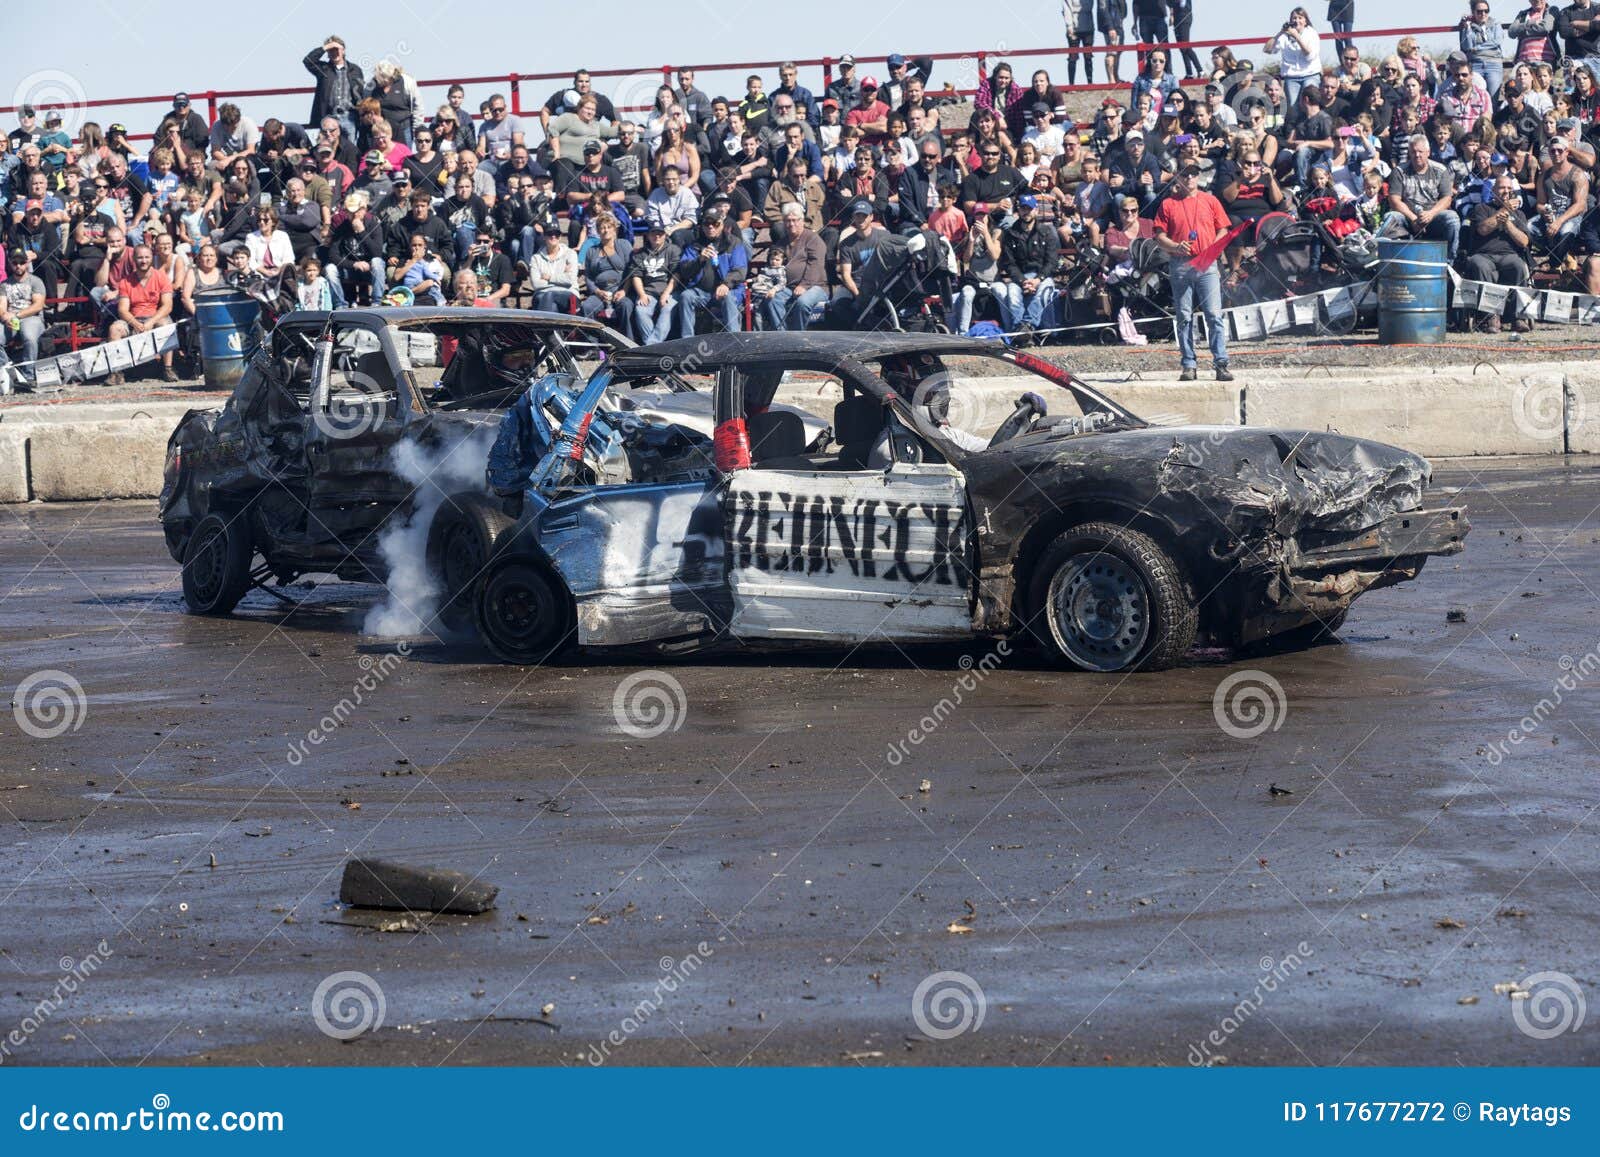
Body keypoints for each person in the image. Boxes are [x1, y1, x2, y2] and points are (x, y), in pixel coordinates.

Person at [1152, 166, 1233, 381]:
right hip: (1181, 263)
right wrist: (1175, 246)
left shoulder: (1210, 200)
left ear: (1199, 176)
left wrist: (1213, 248)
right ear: (1177, 176)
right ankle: (1188, 364)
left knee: (1214, 315)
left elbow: (1223, 229)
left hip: (1207, 263)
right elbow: (1159, 235)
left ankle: (1221, 363)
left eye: (1193, 173)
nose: (1189, 178)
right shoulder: (1168, 204)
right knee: (1184, 316)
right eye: (1185, 173)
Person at [1462, 175, 1534, 333]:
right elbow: (1482, 229)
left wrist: (1508, 224)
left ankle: (1518, 318)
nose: (1506, 191)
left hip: (1509, 255)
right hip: (1484, 254)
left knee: (1518, 265)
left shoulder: (1519, 214)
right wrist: (1504, 210)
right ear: (1493, 191)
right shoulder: (1481, 208)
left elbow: (1524, 242)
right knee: (1478, 264)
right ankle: (1490, 317)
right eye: (1502, 188)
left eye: (1509, 188)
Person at [1382, 137, 1461, 259]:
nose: (1417, 155)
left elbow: (1447, 198)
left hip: (1433, 217)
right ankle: (1391, 262)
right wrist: (1413, 218)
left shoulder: (1440, 170)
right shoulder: (1399, 171)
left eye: (1420, 152)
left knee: (1452, 218)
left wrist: (1431, 213)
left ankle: (1449, 262)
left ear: (1428, 153)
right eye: (1413, 151)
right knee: (1390, 218)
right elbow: (1394, 200)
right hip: (1408, 217)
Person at [108, 242, 176, 383]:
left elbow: (167, 306)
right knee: (115, 328)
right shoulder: (125, 281)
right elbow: (122, 309)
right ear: (134, 259)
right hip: (133, 319)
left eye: (147, 257)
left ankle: (167, 369)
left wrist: (151, 322)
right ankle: (117, 372)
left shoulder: (161, 277)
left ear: (152, 258)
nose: (143, 261)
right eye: (140, 258)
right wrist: (135, 323)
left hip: (155, 317)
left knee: (167, 325)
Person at [674, 208, 747, 336]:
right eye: (707, 224)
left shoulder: (734, 242)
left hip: (730, 290)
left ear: (722, 224)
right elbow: (684, 271)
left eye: (715, 224)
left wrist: (726, 284)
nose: (711, 227)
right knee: (686, 296)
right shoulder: (695, 246)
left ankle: (734, 337)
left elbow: (740, 270)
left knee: (727, 296)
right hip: (703, 292)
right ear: (702, 226)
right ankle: (687, 340)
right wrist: (699, 260)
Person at [1001, 194, 1061, 345]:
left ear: (1035, 210)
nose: (1026, 212)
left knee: (1043, 291)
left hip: (1041, 275)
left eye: (1029, 209)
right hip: (1019, 277)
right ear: (1018, 210)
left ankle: (1027, 327)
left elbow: (1052, 261)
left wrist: (1037, 279)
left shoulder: (1047, 232)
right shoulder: (1010, 233)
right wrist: (1022, 281)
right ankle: (1020, 328)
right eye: (1023, 208)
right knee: (1012, 293)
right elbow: (1009, 263)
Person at [766, 202, 829, 331]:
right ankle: (782, 336)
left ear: (802, 220)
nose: (791, 224)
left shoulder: (813, 239)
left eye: (795, 220)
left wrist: (804, 285)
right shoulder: (782, 242)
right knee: (772, 299)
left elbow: (816, 265)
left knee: (802, 303)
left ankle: (797, 338)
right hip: (788, 287)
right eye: (788, 221)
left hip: (816, 287)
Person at [1530, 135, 1589, 256]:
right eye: (1552, 151)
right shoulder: (1544, 176)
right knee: (1529, 227)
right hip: (1552, 213)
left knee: (1565, 231)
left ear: (1567, 152)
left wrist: (1559, 221)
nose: (1556, 153)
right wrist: (1545, 212)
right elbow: (1540, 203)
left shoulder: (1577, 175)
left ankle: (1561, 255)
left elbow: (1580, 205)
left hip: (1572, 216)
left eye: (1560, 150)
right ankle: (1550, 249)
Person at [625, 223, 681, 344]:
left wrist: (666, 294)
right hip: (648, 292)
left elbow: (676, 275)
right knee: (641, 310)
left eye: (660, 234)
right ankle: (655, 346)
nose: (657, 236)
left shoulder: (673, 250)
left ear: (665, 235)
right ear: (648, 236)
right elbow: (636, 276)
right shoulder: (640, 253)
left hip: (670, 291)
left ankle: (650, 346)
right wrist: (642, 295)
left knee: (667, 308)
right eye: (653, 234)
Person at [0, 246, 47, 389]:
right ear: (10, 263)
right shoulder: (4, 284)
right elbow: (1, 305)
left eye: (21, 262)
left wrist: (15, 315)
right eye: (15, 263)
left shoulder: (35, 281)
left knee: (29, 337)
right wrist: (4, 316)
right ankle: (8, 372)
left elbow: (38, 305)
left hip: (31, 317)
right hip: (11, 320)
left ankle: (29, 376)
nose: (18, 266)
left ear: (27, 263)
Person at [1262, 8, 1322, 109]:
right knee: (1293, 107)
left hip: (1310, 74)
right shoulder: (1285, 36)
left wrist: (1296, 36)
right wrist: (1280, 33)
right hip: (1292, 77)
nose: (1297, 20)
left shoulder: (1311, 34)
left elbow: (1309, 56)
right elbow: (1267, 50)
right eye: (1294, 18)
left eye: (1300, 18)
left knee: (1310, 104)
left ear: (1305, 21)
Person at [1459, 3, 1507, 95]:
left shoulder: (1495, 24)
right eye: (1479, 11)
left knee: (1493, 97)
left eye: (1486, 11)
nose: (1483, 14)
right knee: (1476, 96)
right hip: (1475, 64)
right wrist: (1467, 28)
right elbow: (1467, 47)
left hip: (1493, 64)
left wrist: (1477, 48)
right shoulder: (1469, 27)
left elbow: (1497, 41)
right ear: (1474, 13)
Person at [527, 229, 579, 312]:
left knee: (549, 295)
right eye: (550, 234)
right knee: (552, 304)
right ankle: (551, 325)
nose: (553, 236)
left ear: (560, 237)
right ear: (544, 237)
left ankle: (544, 324)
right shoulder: (536, 258)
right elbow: (536, 284)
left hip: (568, 294)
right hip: (542, 294)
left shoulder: (571, 254)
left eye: (557, 234)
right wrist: (562, 279)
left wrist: (549, 277)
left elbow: (570, 280)